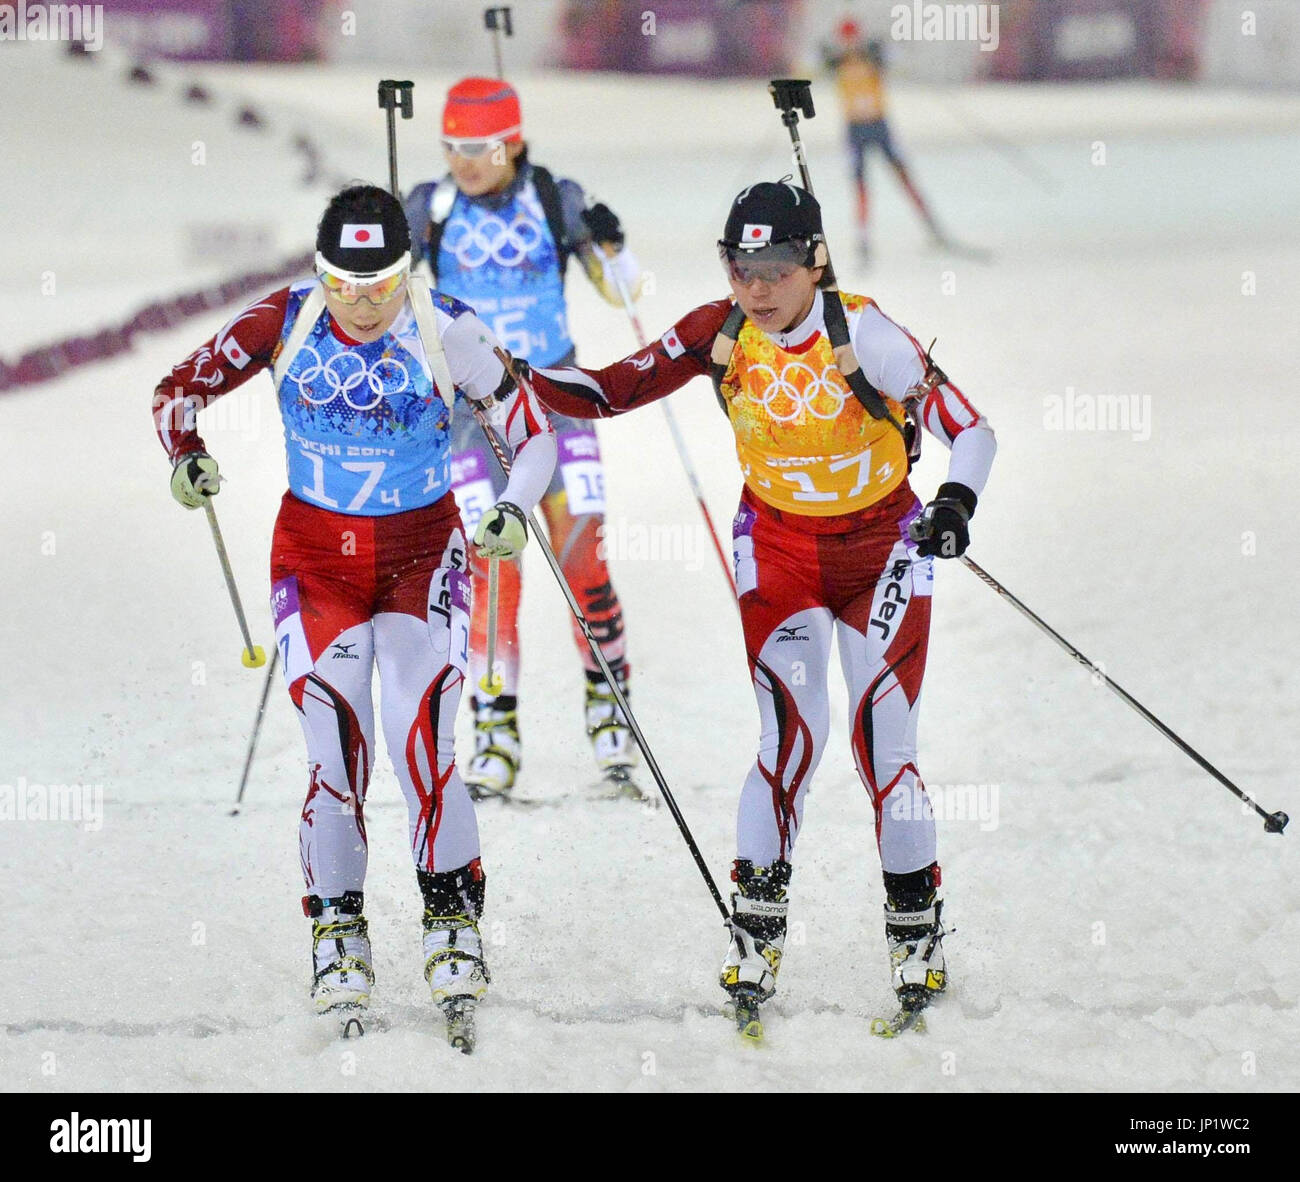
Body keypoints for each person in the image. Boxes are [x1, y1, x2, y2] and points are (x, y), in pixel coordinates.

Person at [518, 181, 996, 1030]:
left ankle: (916, 936)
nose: (758, 288)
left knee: (885, 748)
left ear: (815, 262)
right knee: (788, 742)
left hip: (883, 553)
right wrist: (508, 373)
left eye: (775, 269)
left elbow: (973, 430)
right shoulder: (721, 332)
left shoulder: (866, 335)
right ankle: (757, 930)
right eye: (741, 268)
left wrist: (954, 504)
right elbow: (606, 391)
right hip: (776, 553)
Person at [151, 184, 556, 1045]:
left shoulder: (449, 327)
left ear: (408, 271)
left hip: (421, 556)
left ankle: (452, 919)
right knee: (335, 749)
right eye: (343, 284)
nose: (363, 305)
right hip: (315, 560)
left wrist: (514, 508)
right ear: (318, 272)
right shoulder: (286, 318)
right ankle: (338, 930)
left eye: (381, 285)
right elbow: (177, 390)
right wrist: (185, 453)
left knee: (421, 741)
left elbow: (535, 436)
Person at [404, 76, 644, 801]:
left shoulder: (554, 197)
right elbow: (383, 294)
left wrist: (610, 240)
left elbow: (625, 290)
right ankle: (495, 730)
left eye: (478, 147)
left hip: (558, 402)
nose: (462, 161)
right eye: (451, 146)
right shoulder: (431, 205)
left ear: (512, 143)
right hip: (473, 417)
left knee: (583, 559)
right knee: (491, 569)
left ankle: (610, 712)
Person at [824, 19, 949, 257]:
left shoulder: (871, 56)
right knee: (860, 183)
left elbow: (897, 59)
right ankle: (863, 238)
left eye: (852, 37)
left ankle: (932, 227)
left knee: (903, 176)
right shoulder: (838, 61)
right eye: (846, 38)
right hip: (855, 129)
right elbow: (813, 64)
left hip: (879, 125)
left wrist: (877, 52)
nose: (850, 43)